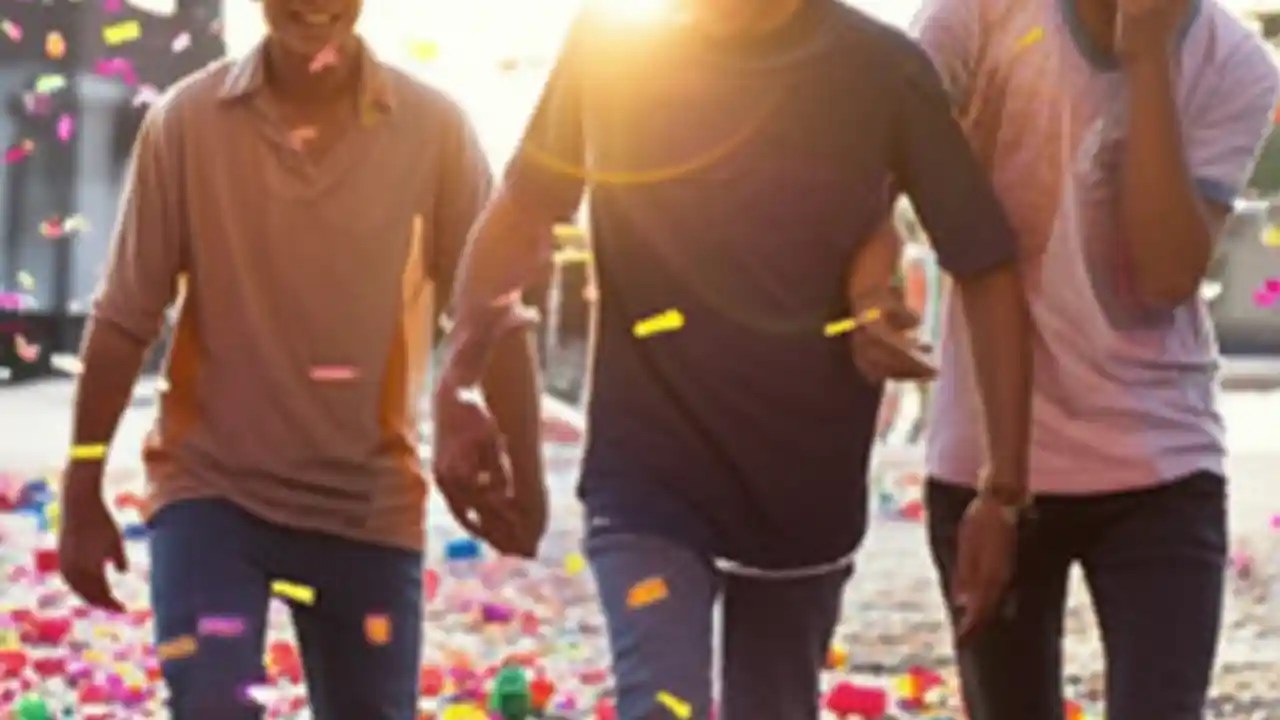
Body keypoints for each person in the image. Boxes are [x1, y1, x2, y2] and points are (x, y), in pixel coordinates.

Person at [432, 0, 1035, 717]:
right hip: (645, 479)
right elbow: (523, 215)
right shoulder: (613, 46)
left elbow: (985, 267)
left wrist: (1002, 491)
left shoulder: (883, 70)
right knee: (661, 704)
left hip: (803, 495)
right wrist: (459, 378)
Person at [55, 0, 546, 717]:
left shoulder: (433, 131)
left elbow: (495, 313)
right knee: (215, 702)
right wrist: (82, 486)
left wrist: (527, 486)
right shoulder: (188, 123)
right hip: (212, 497)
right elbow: (124, 318)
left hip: (365, 507)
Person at [891, 0, 1280, 716]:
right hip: (983, 470)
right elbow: (879, 163)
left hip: (1160, 466)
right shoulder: (977, 17)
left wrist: (1148, 59)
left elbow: (1164, 276)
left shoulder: (1236, 65)